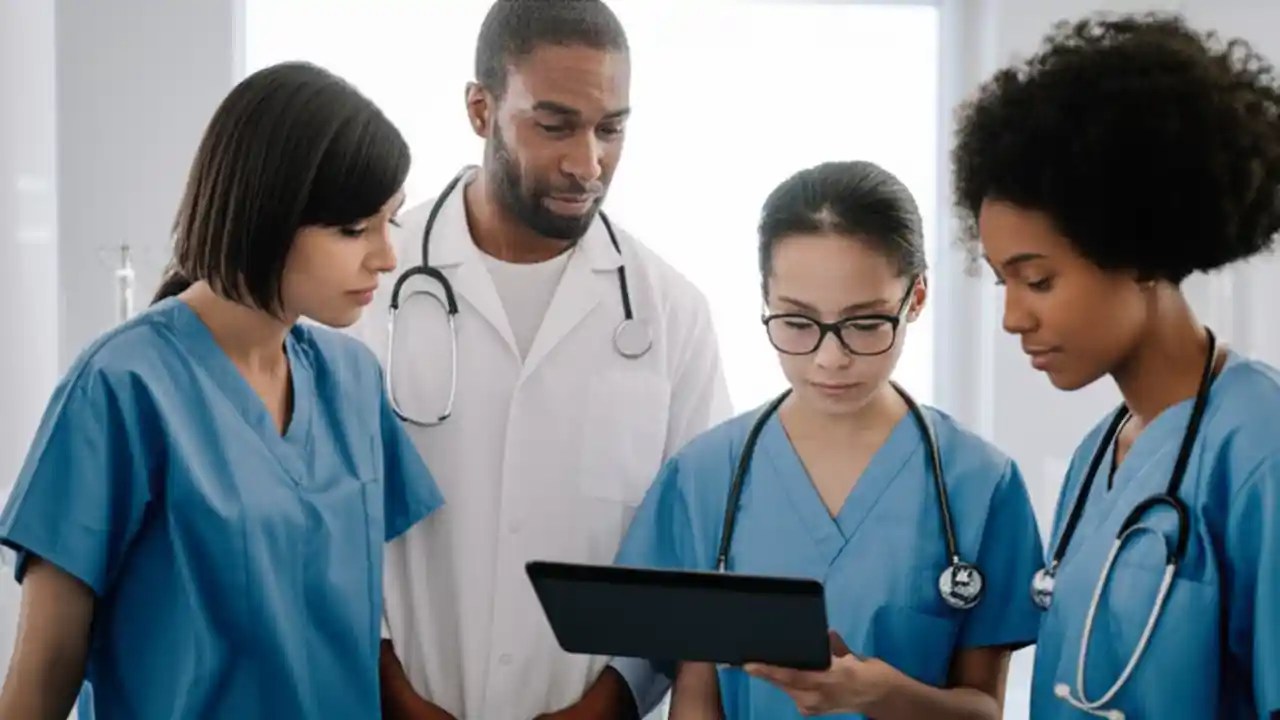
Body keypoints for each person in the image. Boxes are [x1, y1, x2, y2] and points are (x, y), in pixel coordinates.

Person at [0, 61, 444, 720]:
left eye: (392, 221)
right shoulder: (122, 389)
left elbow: (353, 625)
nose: (386, 255)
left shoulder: (352, 383)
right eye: (354, 229)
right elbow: (43, 674)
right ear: (268, 214)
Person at [349, 1, 731, 718]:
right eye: (554, 125)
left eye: (611, 129)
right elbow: (325, 523)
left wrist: (613, 701)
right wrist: (388, 689)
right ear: (479, 108)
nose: (588, 163)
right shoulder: (370, 286)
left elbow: (699, 552)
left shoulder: (670, 313)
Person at [611, 160, 1046, 720]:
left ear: (915, 299)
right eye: (797, 322)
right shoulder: (705, 476)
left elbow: (985, 710)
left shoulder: (980, 484)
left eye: (864, 324)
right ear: (765, 298)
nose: (829, 358)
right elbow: (696, 702)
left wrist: (880, 695)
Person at [952, 12, 1280, 719]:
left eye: (1037, 281)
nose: (1012, 317)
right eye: (1001, 282)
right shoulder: (1097, 456)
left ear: (1139, 249)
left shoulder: (1261, 446)